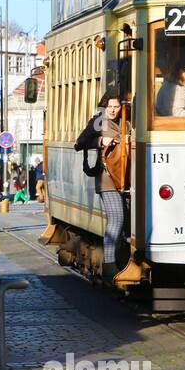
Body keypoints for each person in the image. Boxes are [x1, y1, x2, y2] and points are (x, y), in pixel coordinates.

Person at [75, 92, 128, 281]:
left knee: (124, 222)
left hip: (124, 178)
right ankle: (109, 265)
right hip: (107, 178)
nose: (113, 110)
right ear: (104, 107)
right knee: (116, 218)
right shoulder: (99, 120)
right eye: (110, 107)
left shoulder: (124, 122)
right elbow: (80, 142)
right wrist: (101, 141)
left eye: (116, 107)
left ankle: (120, 262)